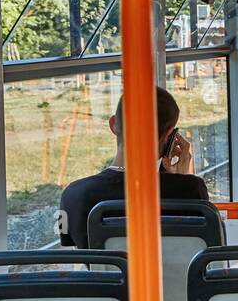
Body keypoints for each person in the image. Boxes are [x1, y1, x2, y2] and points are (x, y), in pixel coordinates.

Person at [58, 86, 207, 248]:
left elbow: (74, 251)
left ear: (114, 124)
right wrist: (181, 179)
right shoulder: (191, 190)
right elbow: (202, 249)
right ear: (168, 135)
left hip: (108, 274)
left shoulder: (71, 195)